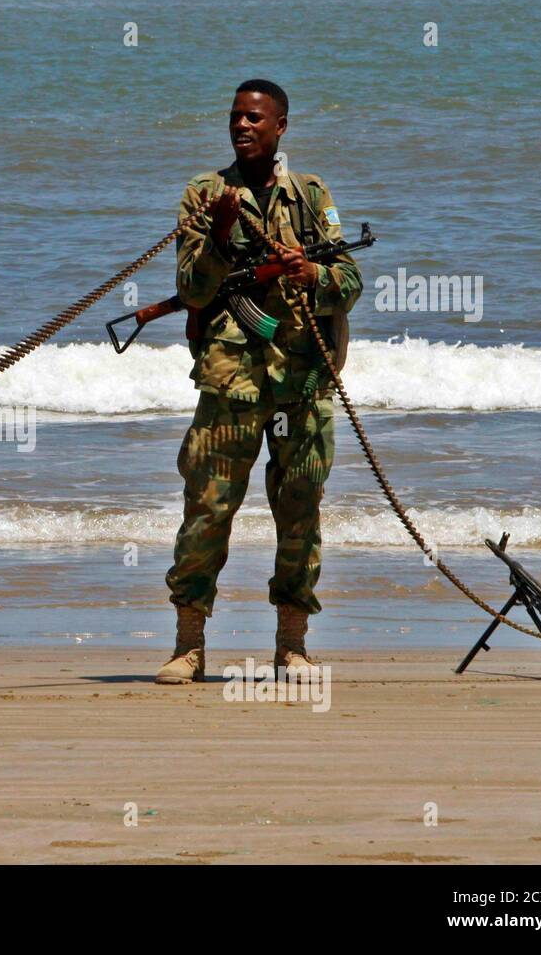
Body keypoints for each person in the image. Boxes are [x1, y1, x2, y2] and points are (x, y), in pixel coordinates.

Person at [156, 80, 363, 685]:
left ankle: (291, 645)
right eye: (235, 118)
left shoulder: (310, 195)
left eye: (254, 118)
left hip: (300, 379)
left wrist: (313, 271)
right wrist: (220, 236)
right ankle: (189, 643)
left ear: (280, 127)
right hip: (231, 382)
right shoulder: (204, 194)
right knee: (207, 510)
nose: (242, 126)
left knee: (300, 511)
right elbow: (193, 289)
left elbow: (350, 280)